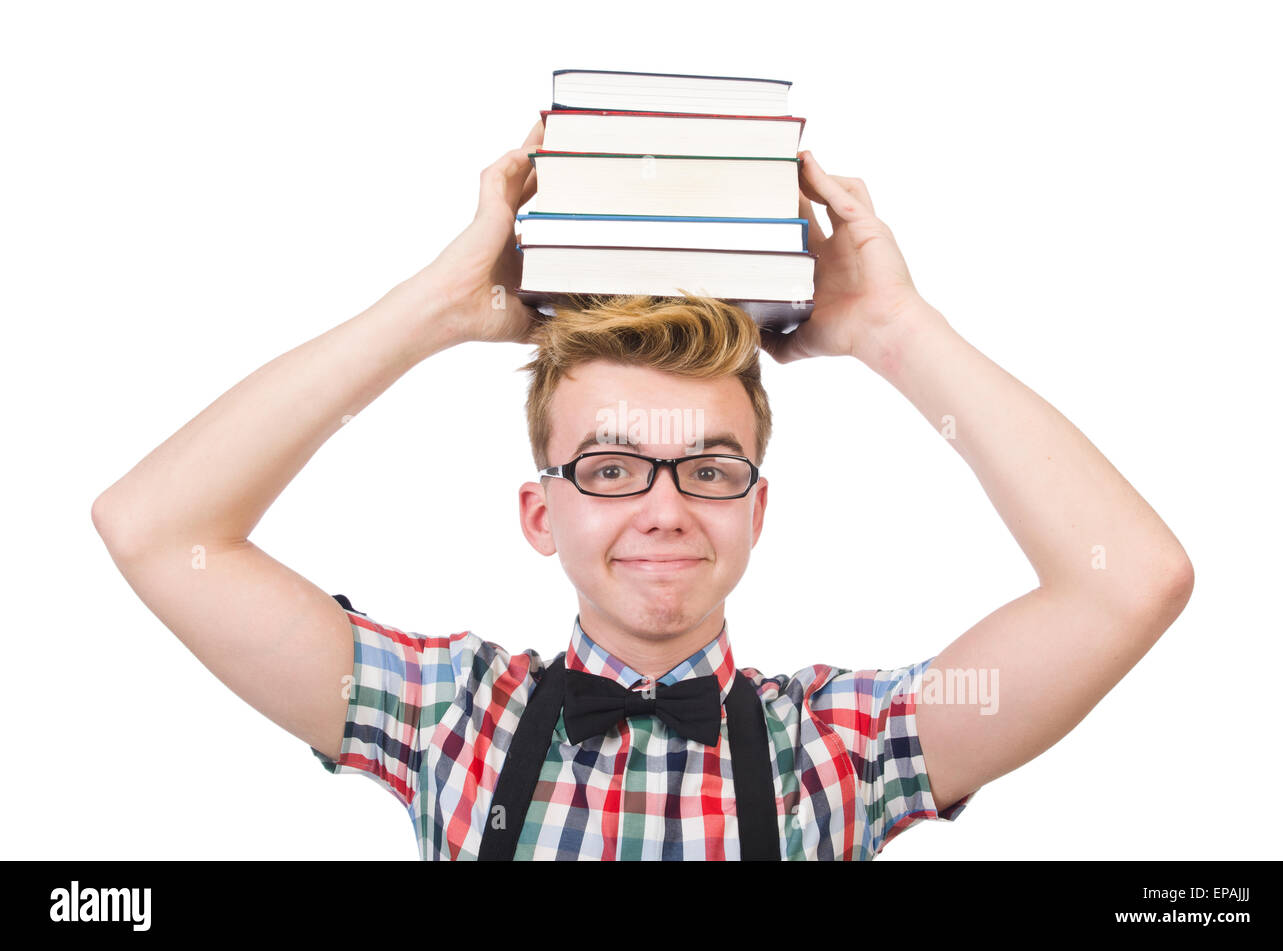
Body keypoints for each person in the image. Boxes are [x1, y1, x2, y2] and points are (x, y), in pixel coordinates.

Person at [91, 119, 1194, 860]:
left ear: (757, 510)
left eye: (708, 469)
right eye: (611, 469)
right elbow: (153, 527)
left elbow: (1129, 584)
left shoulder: (846, 742)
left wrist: (897, 332)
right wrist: (434, 306)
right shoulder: (443, 713)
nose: (664, 509)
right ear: (541, 512)